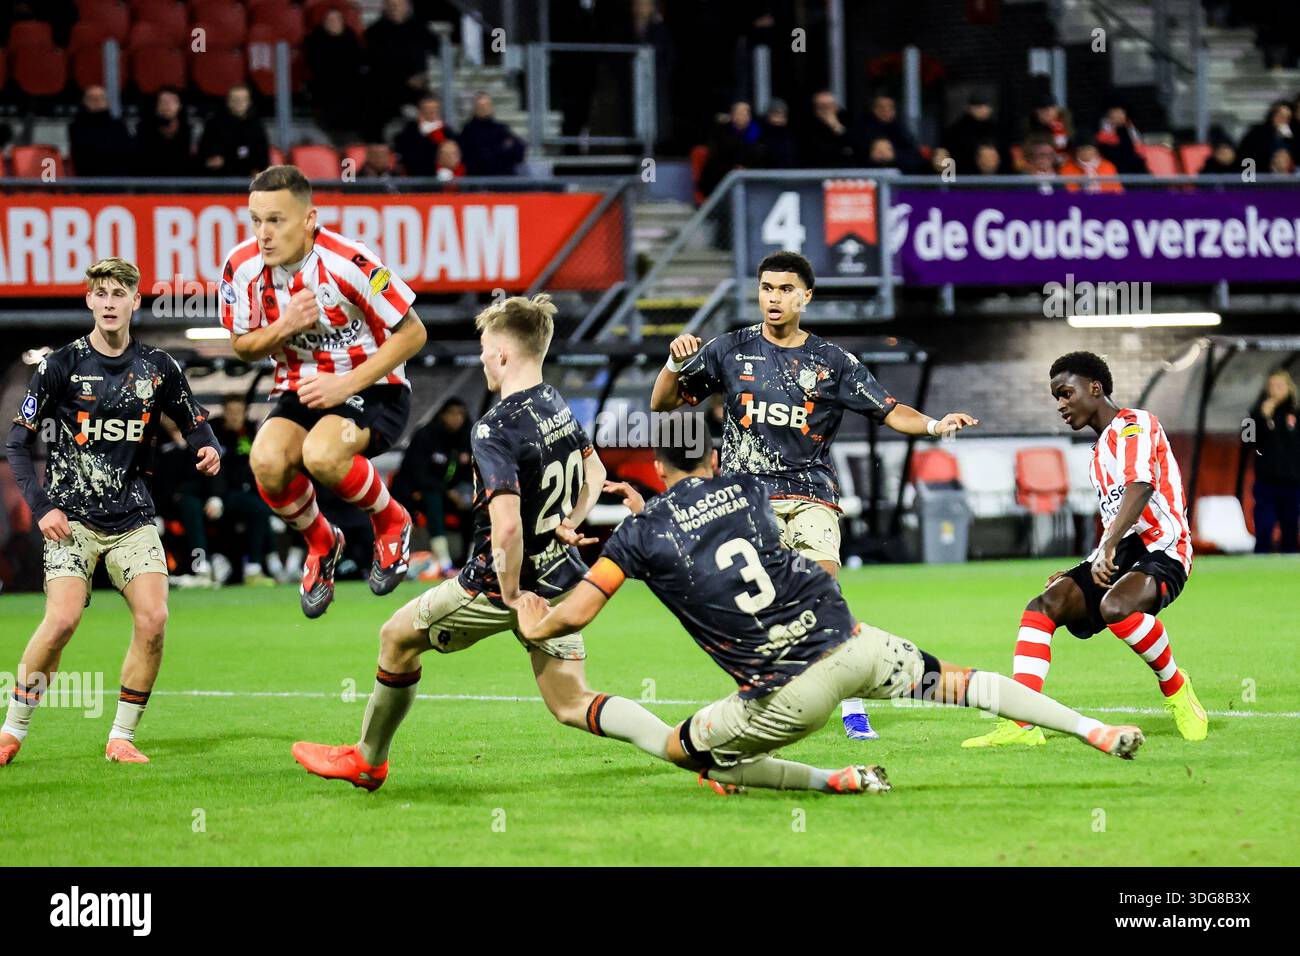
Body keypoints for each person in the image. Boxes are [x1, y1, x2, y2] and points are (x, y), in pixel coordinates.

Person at [512, 435, 1146, 797]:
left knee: (682, 750)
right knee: (964, 682)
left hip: (788, 695)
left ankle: (832, 780)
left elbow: (579, 611)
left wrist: (536, 621)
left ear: (656, 469)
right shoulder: (750, 487)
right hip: (854, 643)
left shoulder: (638, 535)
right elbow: (709, 514)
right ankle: (1092, 730)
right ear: (711, 461)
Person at [290, 295, 677, 791]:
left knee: (395, 637)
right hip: (560, 580)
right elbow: (595, 469)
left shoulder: (494, 426)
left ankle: (368, 759)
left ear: (501, 356)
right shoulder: (554, 402)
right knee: (572, 703)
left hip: (497, 585)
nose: (480, 359)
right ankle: (685, 748)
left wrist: (513, 595)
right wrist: (567, 521)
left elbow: (508, 528)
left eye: (483, 349)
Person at [650, 251, 979, 740]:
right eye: (766, 288)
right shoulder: (730, 350)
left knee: (823, 596)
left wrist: (934, 424)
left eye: (785, 289)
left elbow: (889, 411)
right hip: (747, 502)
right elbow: (662, 403)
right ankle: (766, 698)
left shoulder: (831, 362)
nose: (774, 298)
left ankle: (850, 709)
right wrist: (674, 363)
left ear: (806, 296)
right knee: (759, 611)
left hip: (809, 496)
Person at [1, 257, 222, 766]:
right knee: (59, 624)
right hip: (70, 519)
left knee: (155, 619)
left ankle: (121, 736)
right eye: (100, 293)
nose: (108, 302)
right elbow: (16, 445)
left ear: (134, 301)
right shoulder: (59, 366)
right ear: (89, 301)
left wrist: (207, 448)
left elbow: (196, 424)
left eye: (118, 293)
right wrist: (42, 507)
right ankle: (11, 731)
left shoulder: (159, 368)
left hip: (132, 519)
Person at [963, 351, 1208, 749]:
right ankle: (1023, 725)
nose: (1060, 404)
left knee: (1117, 607)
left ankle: (1176, 688)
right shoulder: (1096, 455)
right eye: (1055, 397)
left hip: (1165, 548)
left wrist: (1108, 545)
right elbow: (1116, 520)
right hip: (1124, 549)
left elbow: (1141, 486)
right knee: (1044, 605)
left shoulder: (1135, 425)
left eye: (1065, 393)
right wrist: (1087, 563)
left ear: (1095, 388)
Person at [218, 165, 427, 617]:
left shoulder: (349, 262)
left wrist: (344, 385)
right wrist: (283, 326)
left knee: (321, 454)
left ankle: (391, 521)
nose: (264, 234)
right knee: (266, 463)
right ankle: (322, 541)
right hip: (300, 387)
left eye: (276, 220)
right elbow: (243, 347)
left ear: (309, 219)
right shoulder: (241, 267)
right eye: (256, 221)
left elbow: (413, 334)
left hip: (373, 386)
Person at [390, 397, 472, 576]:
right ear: (443, 415)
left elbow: (470, 472)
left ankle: (472, 560)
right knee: (432, 498)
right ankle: (444, 562)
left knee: (475, 507)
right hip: (416, 493)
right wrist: (448, 492)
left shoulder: (467, 437)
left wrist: (463, 493)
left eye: (460, 415)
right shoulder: (426, 435)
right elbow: (417, 473)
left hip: (452, 496)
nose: (456, 418)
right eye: (452, 414)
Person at [210, 396, 279, 583]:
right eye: (231, 412)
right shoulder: (215, 433)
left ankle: (260, 566)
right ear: (224, 413)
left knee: (260, 510)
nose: (235, 417)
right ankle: (261, 565)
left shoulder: (250, 431)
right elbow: (219, 470)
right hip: (226, 494)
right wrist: (215, 497)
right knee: (261, 510)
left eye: (239, 412)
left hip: (251, 492)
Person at [363, 0, 434, 140]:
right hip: (384, 91)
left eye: (399, 4)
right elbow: (375, 65)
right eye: (392, 5)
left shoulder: (420, 29)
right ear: (385, 6)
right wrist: (404, 80)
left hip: (416, 91)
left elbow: (430, 55)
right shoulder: (374, 33)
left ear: (407, 6)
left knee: (429, 110)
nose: (395, 8)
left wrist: (422, 76)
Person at [1249, 369, 1300, 553]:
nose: (1275, 390)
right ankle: (1259, 566)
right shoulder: (1256, 412)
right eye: (1271, 386)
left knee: (1290, 530)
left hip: (1292, 484)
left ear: (1288, 388)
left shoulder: (1296, 413)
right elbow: (1247, 441)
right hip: (1266, 483)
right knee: (1264, 528)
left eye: (1279, 386)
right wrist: (1261, 418)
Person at [304, 7, 365, 142]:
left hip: (351, 94)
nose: (333, 23)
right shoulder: (314, 41)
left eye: (336, 19)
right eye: (329, 20)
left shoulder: (351, 39)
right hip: (325, 93)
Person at [198, 86, 270, 178]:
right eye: (235, 99)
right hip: (219, 179)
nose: (239, 103)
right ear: (228, 102)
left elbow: (262, 159)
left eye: (243, 99)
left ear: (249, 102)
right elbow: (205, 157)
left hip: (248, 181)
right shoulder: (213, 125)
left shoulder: (257, 127)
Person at [699, 101, 763, 196]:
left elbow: (762, 159)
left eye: (745, 113)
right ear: (732, 115)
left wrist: (748, 169)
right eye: (739, 113)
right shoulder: (721, 134)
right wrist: (733, 170)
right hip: (722, 179)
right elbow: (715, 160)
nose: (742, 117)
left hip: (753, 180)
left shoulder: (758, 134)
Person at [69, 85, 135, 177]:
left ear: (107, 102)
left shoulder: (119, 126)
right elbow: (86, 157)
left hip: (118, 181)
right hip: (88, 181)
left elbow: (126, 154)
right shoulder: (76, 128)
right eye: (92, 98)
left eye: (101, 98)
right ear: (84, 102)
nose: (97, 101)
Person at [457, 92, 525, 176]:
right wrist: (503, 150)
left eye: (487, 105)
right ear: (474, 108)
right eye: (480, 106)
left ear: (491, 107)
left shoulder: (501, 128)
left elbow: (519, 151)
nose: (484, 108)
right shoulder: (468, 130)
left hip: (505, 179)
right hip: (479, 180)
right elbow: (479, 158)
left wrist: (494, 152)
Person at [133, 88, 193, 177]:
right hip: (152, 181)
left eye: (172, 101)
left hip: (183, 182)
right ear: (156, 106)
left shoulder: (189, 130)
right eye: (163, 101)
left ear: (180, 105)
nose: (167, 105)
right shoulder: (144, 130)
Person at [858, 92, 923, 172]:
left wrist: (894, 155)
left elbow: (915, 159)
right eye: (881, 107)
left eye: (890, 107)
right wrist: (870, 154)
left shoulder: (901, 132)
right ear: (873, 109)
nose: (886, 111)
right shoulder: (862, 131)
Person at [393, 95, 455, 176]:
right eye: (427, 109)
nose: (431, 112)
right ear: (420, 111)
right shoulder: (409, 131)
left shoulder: (447, 132)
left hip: (440, 179)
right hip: (414, 178)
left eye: (434, 109)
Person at [942, 93, 1003, 174]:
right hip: (963, 177)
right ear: (969, 108)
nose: (982, 110)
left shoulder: (998, 130)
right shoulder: (957, 131)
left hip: (997, 178)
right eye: (978, 106)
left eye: (985, 106)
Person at [803, 90, 858, 168]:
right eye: (822, 107)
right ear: (815, 109)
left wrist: (836, 126)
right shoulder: (806, 125)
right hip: (817, 170)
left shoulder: (846, 120)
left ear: (836, 107)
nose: (827, 110)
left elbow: (855, 146)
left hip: (845, 171)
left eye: (830, 106)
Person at [1238, 100, 1296, 169]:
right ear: (1272, 115)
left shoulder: (1293, 135)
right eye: (1279, 115)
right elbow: (1246, 156)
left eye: (1287, 118)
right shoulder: (1257, 132)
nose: (1282, 120)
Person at [1096, 105, 1145, 174]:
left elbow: (1139, 146)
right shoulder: (1101, 132)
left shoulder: (1130, 127)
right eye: (1116, 112)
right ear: (1109, 115)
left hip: (1132, 165)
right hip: (1113, 165)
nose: (1119, 116)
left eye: (1121, 113)